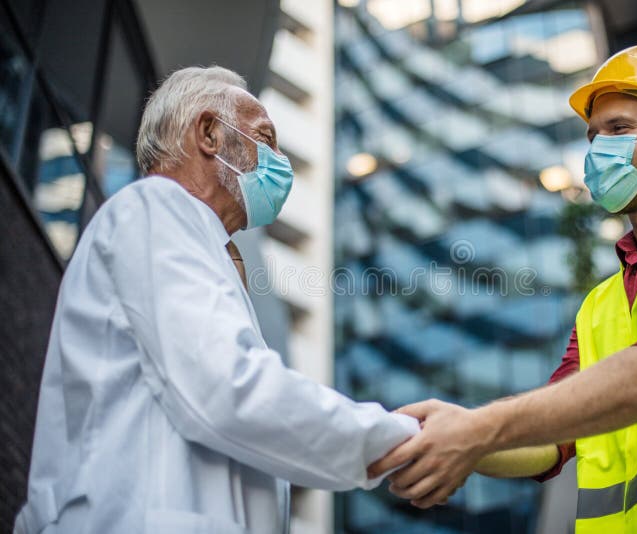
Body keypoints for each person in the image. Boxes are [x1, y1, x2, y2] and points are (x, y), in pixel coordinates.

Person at [369, 44, 637, 533]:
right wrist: (446, 435)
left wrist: (476, 431)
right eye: (593, 136)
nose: (599, 150)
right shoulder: (600, 304)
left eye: (620, 130)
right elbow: (554, 444)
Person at [14, 66, 418, 534]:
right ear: (209, 133)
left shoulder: (197, 245)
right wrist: (404, 442)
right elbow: (228, 389)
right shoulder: (154, 208)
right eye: (266, 137)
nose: (280, 161)